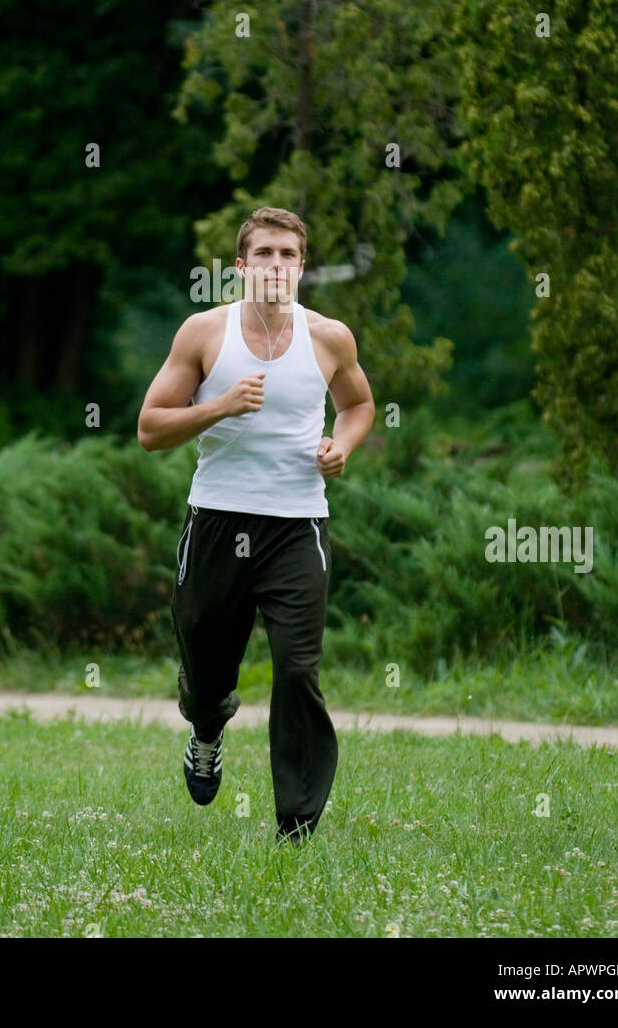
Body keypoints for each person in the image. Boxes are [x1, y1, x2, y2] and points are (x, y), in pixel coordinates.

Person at [137, 207, 375, 845]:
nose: (276, 266)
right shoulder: (204, 334)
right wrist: (219, 405)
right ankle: (207, 729)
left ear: (302, 267)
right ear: (240, 266)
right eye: (263, 254)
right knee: (208, 669)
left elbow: (357, 404)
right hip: (216, 520)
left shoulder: (329, 337)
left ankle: (295, 827)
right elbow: (150, 427)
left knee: (298, 670)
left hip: (298, 526)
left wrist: (342, 446)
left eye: (288, 255)